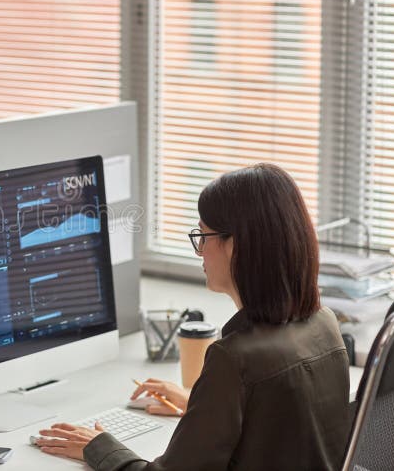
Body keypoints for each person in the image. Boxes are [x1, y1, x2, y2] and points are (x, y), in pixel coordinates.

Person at [35, 163, 351, 470]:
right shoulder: (325, 323)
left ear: (234, 246)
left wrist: (98, 445)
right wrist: (203, 407)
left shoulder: (234, 359)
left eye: (203, 236)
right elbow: (279, 429)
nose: (199, 251)